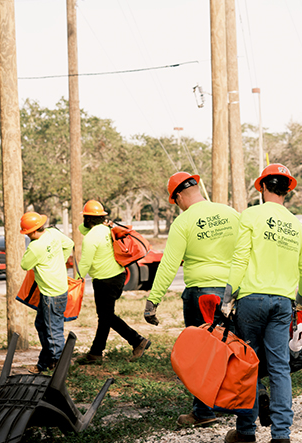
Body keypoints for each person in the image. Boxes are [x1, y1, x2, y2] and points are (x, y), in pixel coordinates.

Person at [221, 163, 302, 443]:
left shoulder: (250, 215)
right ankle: (281, 437)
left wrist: (227, 297)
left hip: (250, 300)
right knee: (279, 367)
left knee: (247, 364)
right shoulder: (296, 225)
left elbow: (239, 259)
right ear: (288, 190)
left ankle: (246, 434)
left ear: (262, 187)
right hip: (282, 303)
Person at [143, 172, 240, 428]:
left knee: (202, 352)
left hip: (201, 294)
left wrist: (153, 300)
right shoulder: (230, 214)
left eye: (175, 202)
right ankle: (242, 403)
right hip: (233, 291)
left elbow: (168, 264)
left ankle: (203, 411)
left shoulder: (184, 222)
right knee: (234, 346)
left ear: (178, 197)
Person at [74, 200, 150, 365]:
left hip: (104, 281)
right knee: (105, 316)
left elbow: (85, 263)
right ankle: (96, 352)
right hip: (118, 277)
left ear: (87, 219)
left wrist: (77, 279)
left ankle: (137, 341)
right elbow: (83, 229)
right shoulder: (108, 229)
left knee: (106, 316)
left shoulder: (90, 238)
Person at [20, 212, 74, 374]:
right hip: (58, 289)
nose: (27, 235)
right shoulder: (54, 233)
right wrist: (60, 260)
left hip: (51, 294)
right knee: (42, 326)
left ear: (33, 231)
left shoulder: (35, 247)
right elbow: (69, 244)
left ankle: (60, 367)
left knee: (53, 330)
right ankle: (46, 362)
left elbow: (25, 264)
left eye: (27, 232)